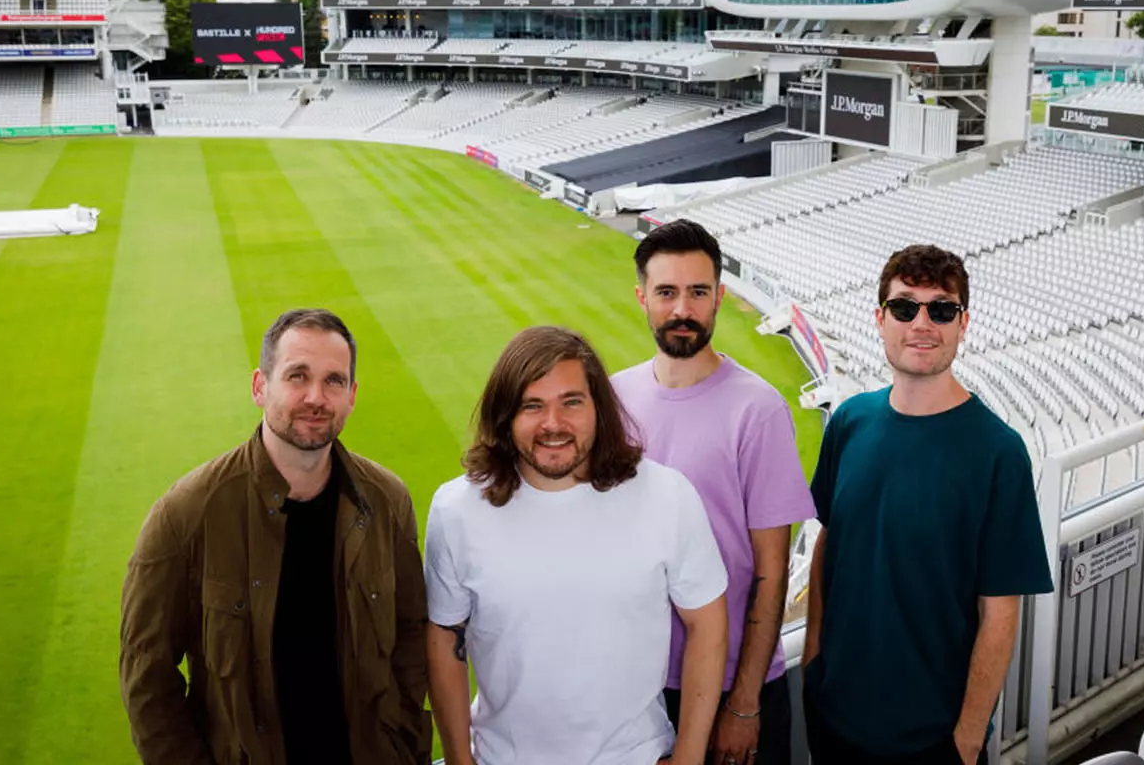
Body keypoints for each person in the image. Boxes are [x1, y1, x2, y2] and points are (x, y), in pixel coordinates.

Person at [120, 309, 431, 765]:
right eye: (297, 376)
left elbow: (409, 638)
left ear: (352, 396)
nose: (315, 397)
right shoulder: (185, 514)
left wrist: (404, 745)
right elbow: (146, 677)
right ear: (259, 387)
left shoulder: (387, 501)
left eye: (333, 381)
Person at [425, 326, 730, 765]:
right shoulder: (455, 510)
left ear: (598, 409)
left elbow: (708, 623)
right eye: (533, 405)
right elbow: (443, 634)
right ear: (505, 416)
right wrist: (458, 758)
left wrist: (688, 757)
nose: (554, 424)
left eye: (571, 401)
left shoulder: (667, 495)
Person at [803, 246, 1053, 764]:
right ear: (879, 318)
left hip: (934, 739)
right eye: (904, 307)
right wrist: (813, 656)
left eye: (941, 309)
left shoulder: (999, 452)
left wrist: (966, 738)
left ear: (963, 323)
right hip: (834, 715)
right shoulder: (849, 422)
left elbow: (1001, 611)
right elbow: (831, 540)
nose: (922, 323)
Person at [613, 220, 816, 765]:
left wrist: (746, 703)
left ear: (719, 297)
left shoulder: (759, 409)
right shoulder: (613, 398)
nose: (683, 308)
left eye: (698, 292)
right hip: (638, 687)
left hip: (733, 689)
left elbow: (771, 571)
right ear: (642, 298)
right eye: (667, 292)